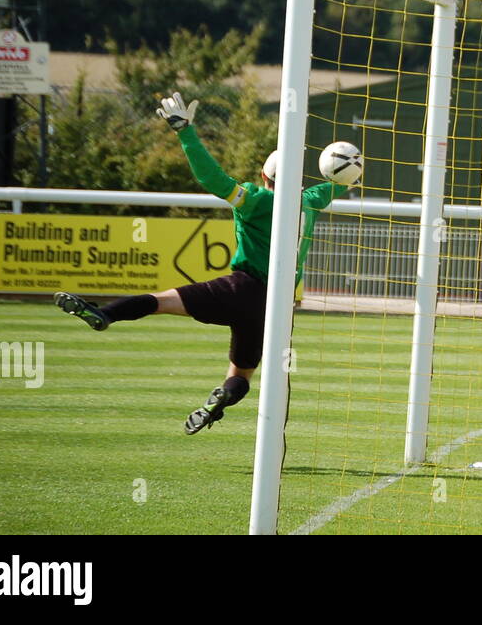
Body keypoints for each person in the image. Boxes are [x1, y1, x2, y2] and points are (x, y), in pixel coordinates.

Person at [55, 92, 351, 434]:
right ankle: (220, 400)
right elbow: (336, 184)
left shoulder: (255, 199)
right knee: (240, 374)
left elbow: (212, 179)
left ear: (265, 175)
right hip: (276, 307)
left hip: (242, 289)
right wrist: (350, 169)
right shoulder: (311, 202)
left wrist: (185, 132)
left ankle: (105, 313)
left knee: (161, 301)